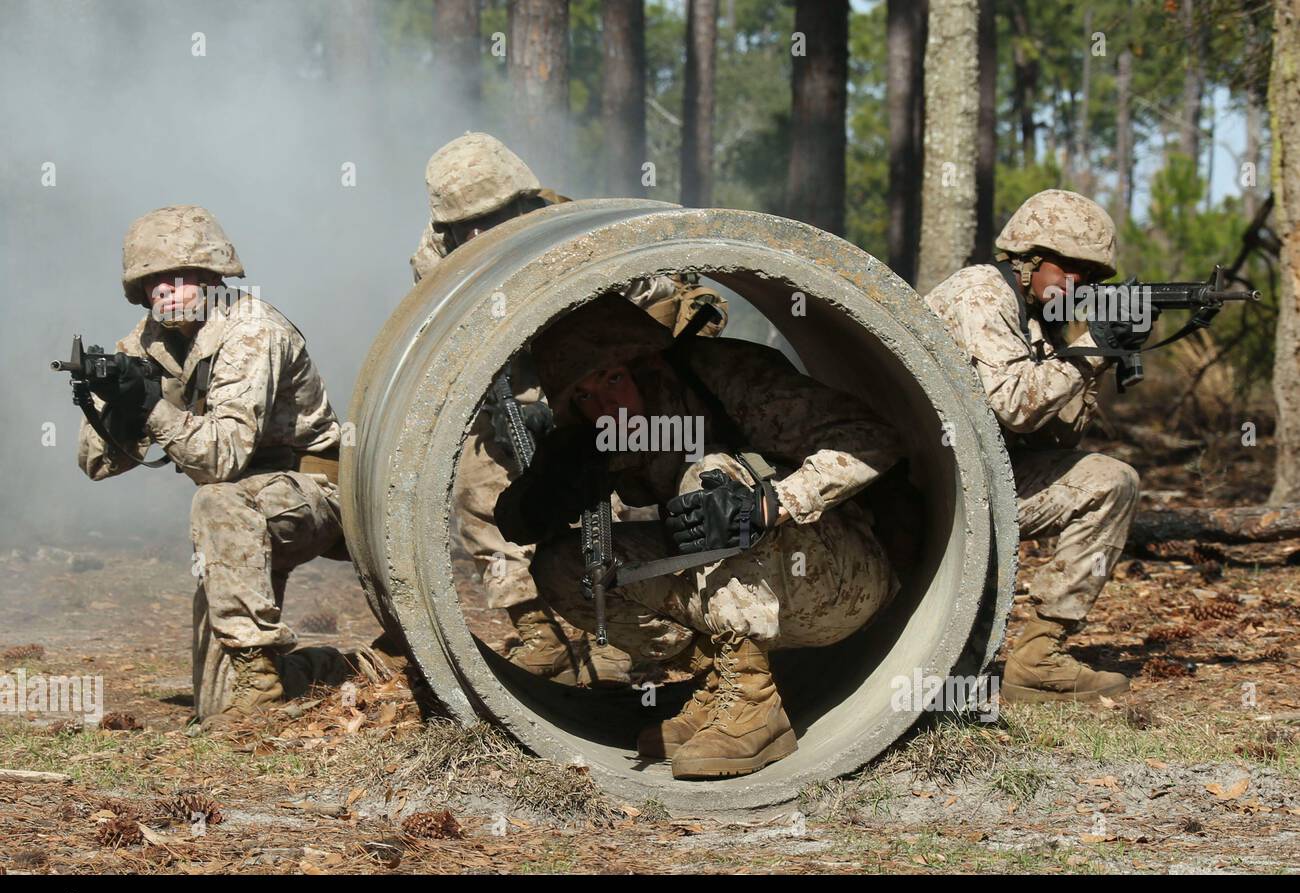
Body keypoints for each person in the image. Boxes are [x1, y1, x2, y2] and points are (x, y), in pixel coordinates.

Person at [495, 294, 903, 778]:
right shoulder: (599, 426)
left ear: (643, 365)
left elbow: (875, 438)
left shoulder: (726, 377)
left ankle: (755, 707)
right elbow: (517, 520)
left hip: (841, 580)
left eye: (612, 380)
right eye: (584, 395)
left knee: (705, 481)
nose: (606, 405)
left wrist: (774, 504)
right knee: (565, 565)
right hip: (758, 595)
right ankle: (720, 680)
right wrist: (550, 487)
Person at [414, 133, 727, 685]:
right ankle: (538, 627)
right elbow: (446, 342)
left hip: (601, 380)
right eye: (468, 227)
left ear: (522, 205)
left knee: (625, 498)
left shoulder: (574, 232)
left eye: (497, 217)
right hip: (511, 387)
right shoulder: (436, 262)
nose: (483, 235)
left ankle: (641, 633)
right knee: (480, 487)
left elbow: (655, 302)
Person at [75, 205, 346, 726]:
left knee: (216, 500)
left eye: (180, 277)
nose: (166, 291)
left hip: (315, 489)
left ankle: (262, 676)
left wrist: (152, 406)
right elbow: (94, 462)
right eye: (153, 282)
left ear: (212, 277)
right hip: (238, 516)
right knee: (220, 710)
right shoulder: (148, 341)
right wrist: (120, 404)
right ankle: (333, 672)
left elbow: (220, 461)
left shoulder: (250, 329)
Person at [925, 188, 1139, 702]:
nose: (1079, 285)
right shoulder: (982, 294)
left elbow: (1054, 436)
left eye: (1090, 278)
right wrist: (1089, 348)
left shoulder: (1039, 318)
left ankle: (1040, 655)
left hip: (977, 479)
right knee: (951, 677)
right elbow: (1014, 405)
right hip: (928, 485)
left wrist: (1101, 354)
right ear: (1031, 259)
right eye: (1071, 271)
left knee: (1111, 482)